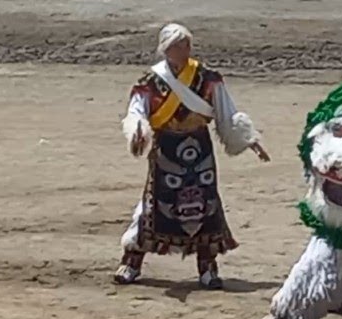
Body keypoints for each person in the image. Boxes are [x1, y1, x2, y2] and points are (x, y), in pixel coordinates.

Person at [113, 23, 270, 289]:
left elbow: (226, 113)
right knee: (153, 206)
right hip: (165, 150)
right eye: (178, 45)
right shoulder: (150, 82)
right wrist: (138, 130)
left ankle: (207, 268)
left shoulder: (207, 78)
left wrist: (249, 140)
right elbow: (136, 112)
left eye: (187, 44)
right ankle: (131, 262)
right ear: (166, 49)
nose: (184, 50)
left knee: (206, 207)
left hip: (200, 151)